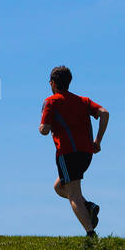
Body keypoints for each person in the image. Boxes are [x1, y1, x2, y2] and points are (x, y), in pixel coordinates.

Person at [39, 65, 109, 238]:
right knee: (59, 186)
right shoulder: (83, 100)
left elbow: (45, 130)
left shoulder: (51, 101)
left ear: (53, 83)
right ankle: (89, 207)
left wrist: (42, 125)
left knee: (73, 195)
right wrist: (98, 140)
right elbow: (104, 113)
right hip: (86, 154)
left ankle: (90, 234)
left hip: (67, 153)